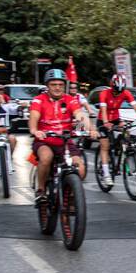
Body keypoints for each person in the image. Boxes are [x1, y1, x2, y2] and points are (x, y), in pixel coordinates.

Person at [29, 69, 88, 204]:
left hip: (65, 142)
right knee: (46, 158)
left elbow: (79, 114)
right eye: (53, 84)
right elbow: (34, 116)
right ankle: (41, 190)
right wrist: (34, 130)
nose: (57, 87)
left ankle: (72, 196)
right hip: (45, 140)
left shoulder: (70, 100)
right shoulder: (38, 100)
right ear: (47, 86)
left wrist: (83, 128)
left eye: (60, 85)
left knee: (81, 168)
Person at [95, 74, 136, 180]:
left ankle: (124, 148)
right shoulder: (104, 93)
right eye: (115, 91)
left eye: (119, 92)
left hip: (116, 119)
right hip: (103, 119)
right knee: (105, 146)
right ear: (111, 87)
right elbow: (103, 109)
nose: (117, 94)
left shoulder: (126, 93)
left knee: (126, 129)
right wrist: (106, 122)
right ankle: (106, 174)